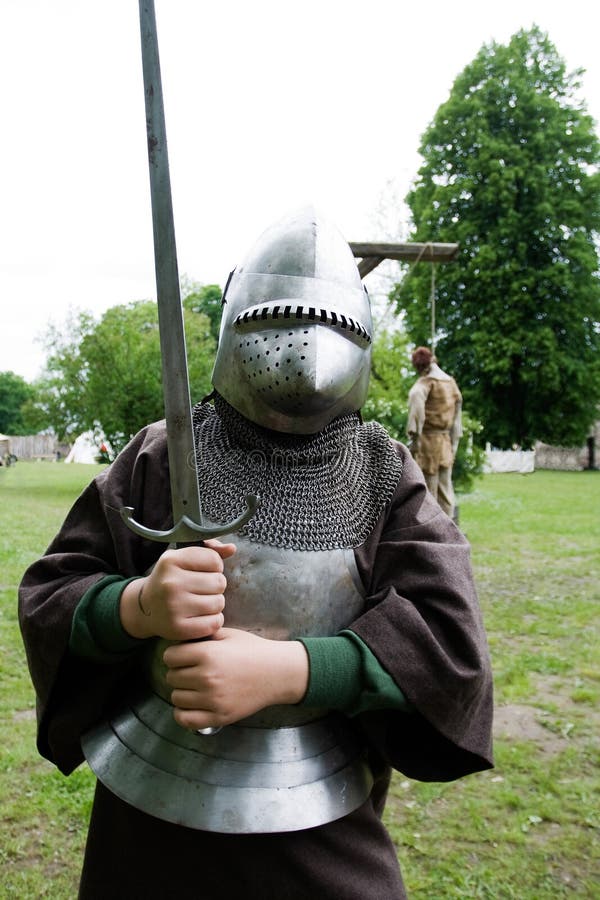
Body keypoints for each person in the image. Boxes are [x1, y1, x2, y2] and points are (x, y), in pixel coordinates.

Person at [19, 209, 493, 899]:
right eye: (275, 318)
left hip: (317, 809)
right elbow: (51, 596)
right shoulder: (160, 454)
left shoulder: (384, 475)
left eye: (330, 326)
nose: (298, 346)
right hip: (149, 812)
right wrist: (136, 605)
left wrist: (294, 670)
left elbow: (448, 646)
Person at [407, 346, 463, 518]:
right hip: (446, 442)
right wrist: (454, 444)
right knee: (446, 491)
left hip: (427, 444)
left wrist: (414, 441)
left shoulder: (424, 383)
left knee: (428, 492)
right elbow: (457, 420)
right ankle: (448, 533)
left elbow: (416, 413)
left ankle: (432, 536)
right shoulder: (451, 384)